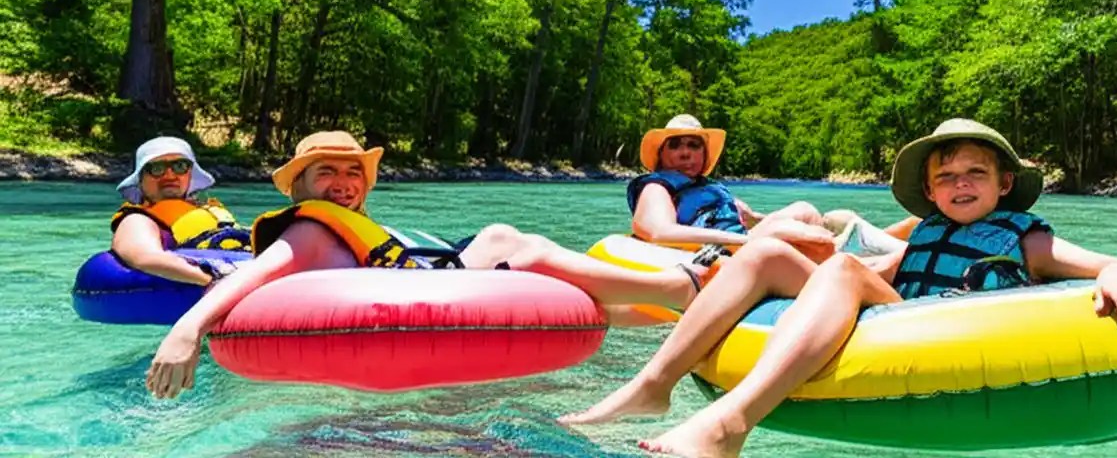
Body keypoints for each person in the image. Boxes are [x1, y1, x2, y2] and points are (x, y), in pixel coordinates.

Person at [561, 118, 1117, 458]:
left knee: (844, 272)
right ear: (930, 192)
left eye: (975, 173)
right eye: (945, 177)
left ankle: (729, 425)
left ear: (1005, 183)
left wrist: (1114, 275)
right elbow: (873, 266)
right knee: (771, 251)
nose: (960, 185)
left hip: (955, 333)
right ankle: (652, 385)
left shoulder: (1026, 240)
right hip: (906, 316)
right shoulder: (925, 233)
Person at [146, 130, 715, 400]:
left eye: (353, 176)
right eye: (327, 175)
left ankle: (686, 314)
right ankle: (684, 287)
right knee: (532, 253)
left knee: (508, 240)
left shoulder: (353, 227)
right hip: (428, 291)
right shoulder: (309, 229)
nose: (343, 186)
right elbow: (256, 273)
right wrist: (187, 330)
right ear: (300, 186)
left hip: (432, 275)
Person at [630, 115, 901, 262]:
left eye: (693, 145)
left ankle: (866, 247)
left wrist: (755, 219)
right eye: (675, 145)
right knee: (786, 232)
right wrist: (746, 240)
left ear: (704, 154)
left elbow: (743, 219)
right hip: (714, 251)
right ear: (662, 156)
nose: (685, 153)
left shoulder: (708, 188)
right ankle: (878, 257)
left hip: (736, 240)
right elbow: (656, 231)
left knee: (804, 210)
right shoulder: (657, 187)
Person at [110, 137, 248, 287]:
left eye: (180, 166)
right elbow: (144, 257)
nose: (169, 175)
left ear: (189, 174)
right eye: (157, 168)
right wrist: (215, 280)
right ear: (140, 179)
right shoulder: (136, 220)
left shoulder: (210, 211)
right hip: (222, 282)